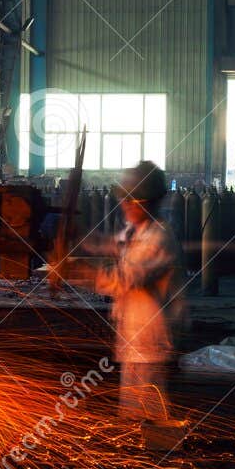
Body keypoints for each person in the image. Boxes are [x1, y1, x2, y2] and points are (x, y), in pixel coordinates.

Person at [79, 161, 187, 421]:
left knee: (151, 417)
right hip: (134, 338)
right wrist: (80, 241)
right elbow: (114, 245)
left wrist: (78, 273)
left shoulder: (159, 238)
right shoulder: (137, 229)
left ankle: (158, 456)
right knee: (131, 414)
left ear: (146, 202)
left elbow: (126, 278)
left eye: (130, 200)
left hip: (152, 341)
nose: (124, 206)